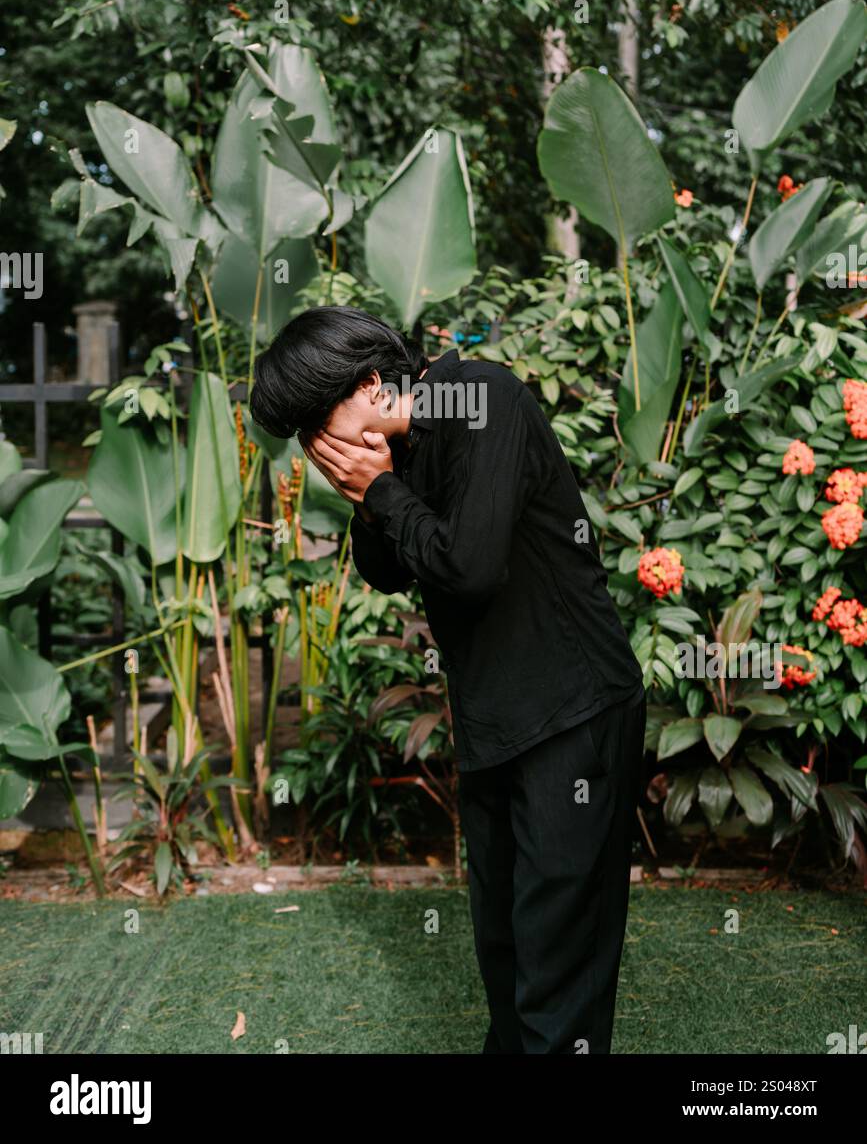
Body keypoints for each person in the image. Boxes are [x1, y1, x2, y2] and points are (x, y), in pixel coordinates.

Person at [250, 305, 647, 1055]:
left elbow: (469, 569)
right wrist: (373, 500)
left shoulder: (484, 400)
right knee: (506, 945)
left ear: (370, 384)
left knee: (558, 953)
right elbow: (388, 570)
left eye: (312, 421)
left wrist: (382, 493)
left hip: (574, 710)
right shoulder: (401, 443)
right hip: (497, 716)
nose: (313, 447)